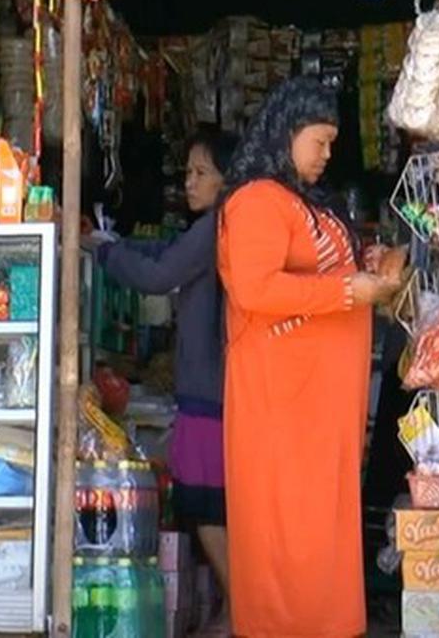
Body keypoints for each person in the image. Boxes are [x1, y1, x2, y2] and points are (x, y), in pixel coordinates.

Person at [217, 77, 399, 636]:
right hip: (281, 410)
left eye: (330, 143)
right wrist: (349, 290)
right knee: (285, 536)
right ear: (287, 132)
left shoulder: (302, 201)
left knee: (319, 532)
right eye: (319, 140)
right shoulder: (256, 201)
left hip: (317, 412)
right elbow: (256, 288)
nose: (326, 154)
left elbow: (321, 270)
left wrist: (368, 264)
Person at [94, 126, 238, 633]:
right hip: (213, 387)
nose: (189, 182)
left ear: (227, 180)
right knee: (213, 506)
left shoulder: (219, 225)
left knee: (205, 505)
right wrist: (112, 243)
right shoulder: (215, 227)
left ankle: (240, 611)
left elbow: (160, 275)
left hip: (209, 390)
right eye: (187, 172)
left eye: (201, 172)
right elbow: (166, 252)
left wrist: (106, 255)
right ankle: (234, 609)